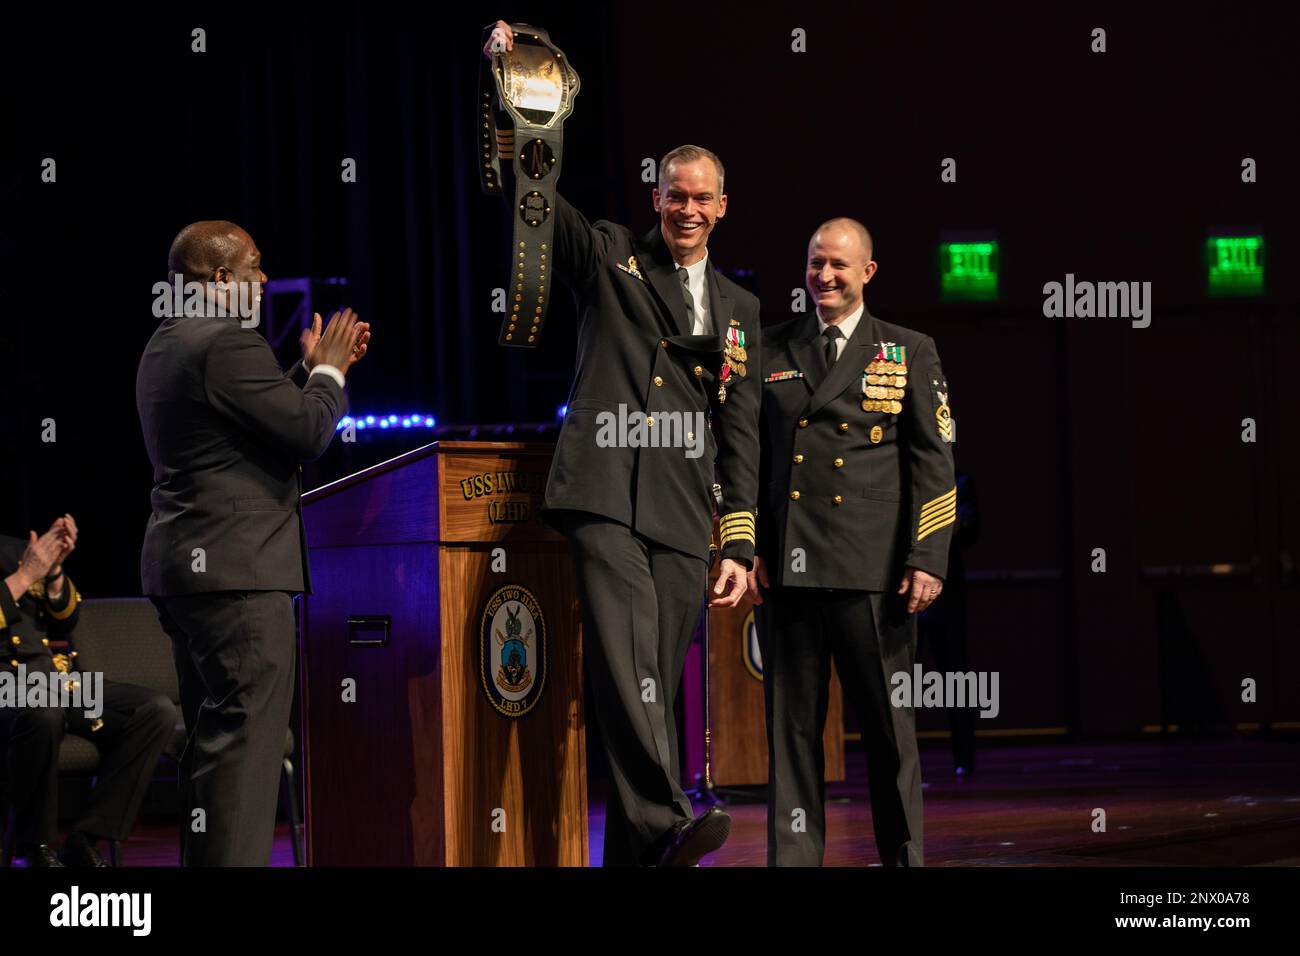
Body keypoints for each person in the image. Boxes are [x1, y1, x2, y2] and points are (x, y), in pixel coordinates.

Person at [483, 22, 761, 866]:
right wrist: (509, 97)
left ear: (721, 207)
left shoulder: (742, 309)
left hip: (682, 509)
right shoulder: (608, 252)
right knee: (621, 658)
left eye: (699, 197)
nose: (684, 208)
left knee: (645, 681)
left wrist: (739, 540)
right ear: (657, 199)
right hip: (603, 490)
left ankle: (642, 845)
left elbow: (741, 427)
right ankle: (669, 812)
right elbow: (527, 194)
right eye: (672, 194)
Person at [135, 220, 369, 865]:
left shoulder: (170, 340)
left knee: (216, 749)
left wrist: (302, 369)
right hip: (238, 577)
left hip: (189, 574)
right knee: (245, 753)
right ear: (220, 280)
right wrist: (328, 375)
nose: (265, 280)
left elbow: (244, 421)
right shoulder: (227, 343)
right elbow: (305, 434)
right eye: (255, 267)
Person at [750, 218, 956, 866]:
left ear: (867, 271)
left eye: (839, 265)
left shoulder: (908, 349)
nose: (825, 276)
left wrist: (927, 558)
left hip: (875, 575)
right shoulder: (772, 348)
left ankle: (903, 858)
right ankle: (794, 861)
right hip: (790, 571)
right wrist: (745, 545)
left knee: (892, 738)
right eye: (816, 264)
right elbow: (751, 462)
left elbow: (934, 464)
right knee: (791, 736)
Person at [1, 516, 176, 867]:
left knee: (153, 711)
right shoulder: (25, 562)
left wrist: (52, 573)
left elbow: (66, 619)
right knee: (44, 711)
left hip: (53, 681)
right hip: (7, 686)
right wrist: (24, 577)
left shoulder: (18, 548)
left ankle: (88, 836)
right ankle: (34, 848)